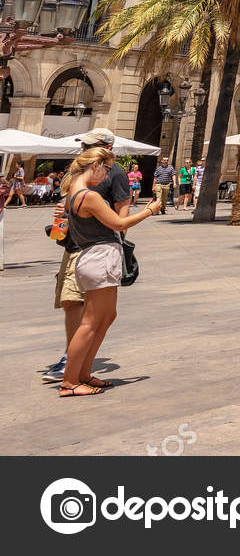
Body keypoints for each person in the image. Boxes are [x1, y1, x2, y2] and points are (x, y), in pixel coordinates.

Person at [57, 146, 164, 395]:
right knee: (91, 322)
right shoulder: (88, 195)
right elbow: (119, 223)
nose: (107, 176)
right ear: (94, 165)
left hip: (98, 258)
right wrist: (149, 211)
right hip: (99, 258)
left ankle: (83, 374)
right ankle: (69, 382)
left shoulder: (74, 192)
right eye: (106, 170)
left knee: (107, 317)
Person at [44, 130, 130, 384]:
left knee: (92, 309)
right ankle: (72, 361)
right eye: (83, 144)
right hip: (73, 244)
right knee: (70, 301)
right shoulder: (78, 171)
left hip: (96, 247)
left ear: (108, 147)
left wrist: (119, 237)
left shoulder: (114, 172)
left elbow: (122, 207)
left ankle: (71, 365)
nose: (84, 148)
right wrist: (64, 208)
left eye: (90, 145)